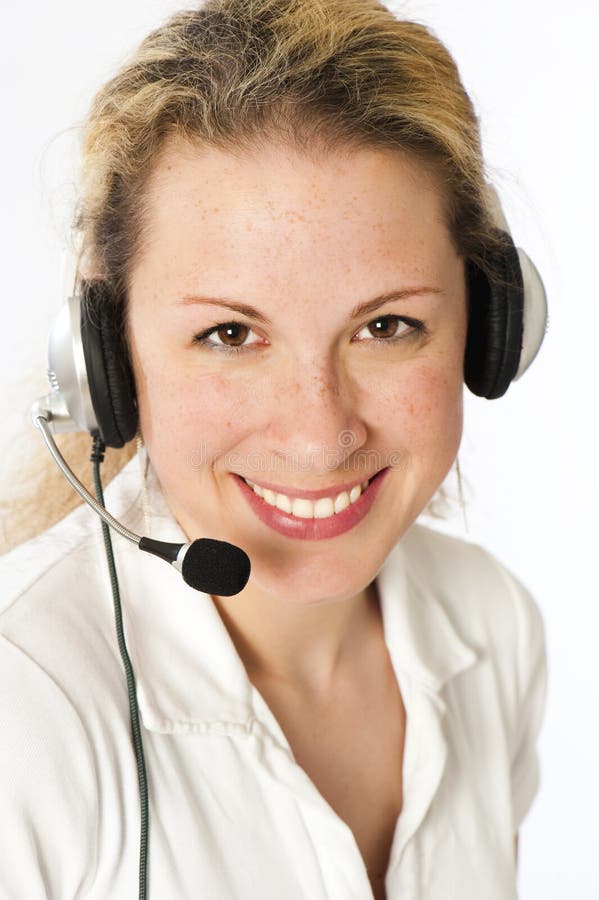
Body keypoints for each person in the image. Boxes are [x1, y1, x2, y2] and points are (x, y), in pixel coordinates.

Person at [0, 0, 548, 898]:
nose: (318, 431)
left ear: (489, 330)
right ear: (108, 362)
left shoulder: (491, 626)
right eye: (228, 335)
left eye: (386, 324)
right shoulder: (22, 712)